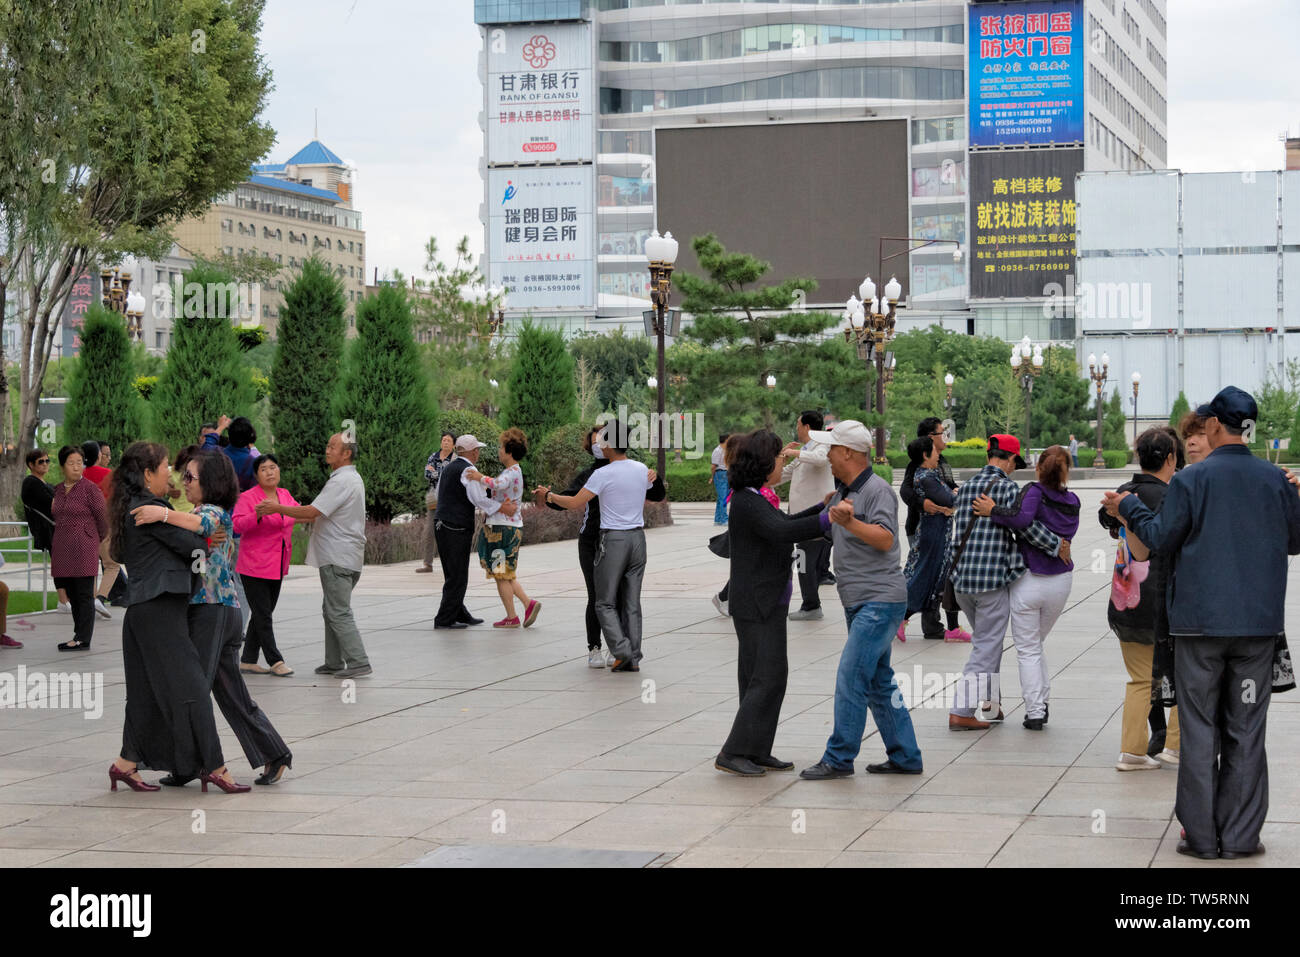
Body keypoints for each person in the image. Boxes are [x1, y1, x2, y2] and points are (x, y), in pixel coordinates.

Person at [1104, 386, 1300, 860]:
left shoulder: (1192, 481)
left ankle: (1200, 835)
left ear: (1215, 426)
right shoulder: (1274, 479)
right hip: (1255, 630)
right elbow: (1294, 542)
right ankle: (1241, 836)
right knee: (1246, 728)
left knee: (1199, 729)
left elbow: (1159, 539)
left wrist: (1126, 506)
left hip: (1199, 630)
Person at [132, 452, 293, 787]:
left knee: (191, 690)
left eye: (190, 478)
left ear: (210, 482)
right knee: (227, 691)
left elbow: (201, 525)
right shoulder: (196, 512)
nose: (185, 483)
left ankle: (192, 765)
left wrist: (161, 511)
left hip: (212, 611)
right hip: (214, 612)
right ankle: (273, 753)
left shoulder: (212, 512)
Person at [107, 441, 248, 794]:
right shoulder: (150, 507)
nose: (171, 473)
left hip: (139, 612)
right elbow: (198, 548)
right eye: (166, 466)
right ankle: (215, 768)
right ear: (147, 474)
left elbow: (117, 551)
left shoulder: (131, 507)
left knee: (144, 694)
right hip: (160, 611)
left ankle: (125, 764)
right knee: (194, 691)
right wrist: (198, 538)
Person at [798, 421, 923, 780]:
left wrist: (848, 523)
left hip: (880, 601)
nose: (827, 458)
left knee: (851, 676)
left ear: (849, 453)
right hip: (860, 600)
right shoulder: (844, 492)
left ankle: (838, 757)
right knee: (878, 681)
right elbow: (821, 526)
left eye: (831, 450)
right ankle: (906, 755)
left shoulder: (878, 491)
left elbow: (885, 539)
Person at [716, 430, 833, 775]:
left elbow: (781, 524)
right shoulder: (746, 500)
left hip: (767, 600)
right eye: (780, 458)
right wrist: (827, 519)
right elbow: (781, 532)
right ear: (764, 463)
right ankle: (733, 752)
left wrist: (819, 509)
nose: (783, 463)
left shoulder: (755, 497)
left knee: (765, 676)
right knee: (766, 677)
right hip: (755, 601)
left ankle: (755, 749)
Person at [946, 434, 1066, 731]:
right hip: (990, 583)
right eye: (1015, 462)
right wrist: (1057, 544)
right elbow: (1025, 527)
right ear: (1010, 459)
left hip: (962, 581)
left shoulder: (964, 488)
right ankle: (961, 710)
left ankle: (991, 704)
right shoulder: (1007, 488)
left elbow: (954, 532)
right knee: (987, 645)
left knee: (988, 641)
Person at [537, 419, 665, 671]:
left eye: (602, 439)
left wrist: (549, 496)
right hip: (638, 539)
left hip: (613, 540)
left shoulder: (603, 473)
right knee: (631, 601)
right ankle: (633, 656)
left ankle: (622, 651)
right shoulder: (641, 469)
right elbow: (658, 494)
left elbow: (574, 502)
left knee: (603, 601)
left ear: (608, 444)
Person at [973, 445, 1079, 730]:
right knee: (1035, 645)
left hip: (1030, 580)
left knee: (1028, 649)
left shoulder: (1034, 491)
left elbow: (1021, 520)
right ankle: (1041, 701)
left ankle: (1035, 711)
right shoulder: (1074, 500)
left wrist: (992, 510)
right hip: (1061, 582)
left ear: (1038, 467)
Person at [1097, 427, 1183, 769]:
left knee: (1139, 679)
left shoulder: (1124, 492)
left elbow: (1105, 517)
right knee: (1184, 676)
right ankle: (1174, 746)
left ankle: (1132, 751)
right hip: (1166, 601)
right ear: (1171, 458)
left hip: (1127, 602)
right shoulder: (1176, 495)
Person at [256, 432, 371, 678]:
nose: (327, 450)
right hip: (345, 555)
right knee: (331, 608)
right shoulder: (347, 478)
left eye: (333, 446)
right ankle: (334, 661)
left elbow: (311, 513)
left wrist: (276, 508)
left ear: (346, 453)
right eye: (328, 445)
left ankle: (358, 661)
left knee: (338, 610)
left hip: (338, 556)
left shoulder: (343, 481)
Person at [541, 426, 622, 667]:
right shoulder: (589, 475)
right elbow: (569, 499)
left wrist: (652, 477)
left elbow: (654, 491)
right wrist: (548, 496)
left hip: (616, 540)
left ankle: (615, 646)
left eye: (603, 439)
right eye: (595, 440)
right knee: (596, 596)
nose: (599, 443)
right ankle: (594, 648)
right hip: (590, 540)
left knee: (616, 595)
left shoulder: (625, 470)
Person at [233, 453, 306, 677]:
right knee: (264, 614)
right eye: (264, 469)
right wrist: (256, 514)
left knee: (262, 613)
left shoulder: (284, 495)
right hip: (254, 565)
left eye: (273, 467)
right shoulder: (248, 497)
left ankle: (247, 660)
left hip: (278, 563)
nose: (270, 472)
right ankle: (276, 660)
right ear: (256, 475)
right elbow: (237, 525)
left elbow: (297, 513)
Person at [462, 427, 540, 629]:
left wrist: (479, 477)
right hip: (509, 527)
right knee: (505, 572)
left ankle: (512, 615)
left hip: (501, 529)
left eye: (501, 447)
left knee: (501, 574)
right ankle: (527, 604)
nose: (499, 450)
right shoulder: (514, 471)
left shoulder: (511, 472)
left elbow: (497, 484)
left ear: (509, 450)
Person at [899, 418, 969, 641]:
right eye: (941, 433)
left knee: (938, 576)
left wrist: (953, 494)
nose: (945, 437)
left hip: (940, 528)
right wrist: (926, 505)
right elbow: (907, 491)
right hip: (925, 528)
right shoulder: (919, 468)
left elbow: (948, 488)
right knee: (924, 575)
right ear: (930, 438)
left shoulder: (940, 462)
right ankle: (903, 616)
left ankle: (937, 627)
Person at [432, 435, 496, 630]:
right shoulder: (469, 470)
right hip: (456, 526)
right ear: (472, 451)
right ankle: (444, 619)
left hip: (441, 523)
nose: (478, 453)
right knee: (458, 575)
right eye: (477, 450)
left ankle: (459, 612)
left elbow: (437, 494)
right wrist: (500, 507)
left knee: (452, 572)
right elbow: (478, 499)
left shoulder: (449, 467)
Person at [779, 411, 836, 622]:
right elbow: (786, 474)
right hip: (801, 517)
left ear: (808, 427)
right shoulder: (806, 449)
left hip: (815, 517)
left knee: (805, 561)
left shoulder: (823, 446)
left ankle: (811, 605)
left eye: (798, 424)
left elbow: (820, 460)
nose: (797, 429)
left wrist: (792, 454)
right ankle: (811, 604)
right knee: (805, 561)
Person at [51, 445, 107, 651]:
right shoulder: (57, 489)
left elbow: (103, 519)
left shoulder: (90, 489)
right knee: (72, 593)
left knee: (84, 594)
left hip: (84, 546)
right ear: (62, 466)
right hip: (62, 547)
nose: (76, 467)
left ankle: (83, 638)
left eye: (79, 463)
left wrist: (92, 538)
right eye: (71, 463)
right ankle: (78, 634)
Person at [21, 447, 70, 614]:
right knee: (61, 563)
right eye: (40, 461)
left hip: (56, 527)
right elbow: (53, 504)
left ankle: (68, 599)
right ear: (31, 465)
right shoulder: (30, 483)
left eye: (47, 460)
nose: (45, 464)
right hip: (46, 527)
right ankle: (63, 600)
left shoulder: (46, 484)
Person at [81, 439, 122, 617]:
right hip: (104, 523)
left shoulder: (79, 476)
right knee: (112, 565)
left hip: (83, 524)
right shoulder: (108, 474)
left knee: (89, 566)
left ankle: (89, 602)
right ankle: (100, 598)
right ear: (98, 454)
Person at [711, 433, 746, 617]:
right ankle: (724, 597)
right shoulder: (738, 468)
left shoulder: (737, 465)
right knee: (745, 566)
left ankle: (728, 598)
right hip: (743, 525)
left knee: (746, 566)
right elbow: (715, 467)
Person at [417, 432, 457, 573]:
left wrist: (437, 473)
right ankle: (427, 564)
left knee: (448, 531)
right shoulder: (433, 456)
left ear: (453, 444)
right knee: (429, 531)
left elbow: (451, 477)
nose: (445, 442)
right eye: (443, 440)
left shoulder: (455, 459)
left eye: (448, 440)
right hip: (434, 499)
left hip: (450, 500)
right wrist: (442, 474)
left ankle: (451, 563)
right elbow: (427, 473)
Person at [710, 433, 730, 525]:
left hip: (726, 474)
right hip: (720, 474)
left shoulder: (726, 450)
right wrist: (712, 477)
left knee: (722, 497)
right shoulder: (717, 451)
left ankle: (718, 519)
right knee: (723, 498)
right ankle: (723, 519)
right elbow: (713, 466)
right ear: (725, 440)